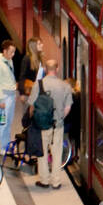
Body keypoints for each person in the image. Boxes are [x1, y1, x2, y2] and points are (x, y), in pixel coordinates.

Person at [27, 57, 72, 189]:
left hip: (41, 125)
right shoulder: (65, 86)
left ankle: (45, 180)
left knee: (43, 153)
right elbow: (68, 108)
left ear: (45, 70)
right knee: (57, 153)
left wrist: (32, 118)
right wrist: (60, 118)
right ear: (57, 69)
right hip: (57, 125)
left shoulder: (39, 84)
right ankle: (56, 181)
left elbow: (31, 105)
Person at [0, 39, 18, 150]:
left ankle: (6, 144)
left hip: (11, 95)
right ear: (4, 51)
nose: (13, 55)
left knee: (8, 121)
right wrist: (1, 99)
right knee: (2, 122)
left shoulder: (9, 61)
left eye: (14, 52)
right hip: (4, 96)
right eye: (11, 52)